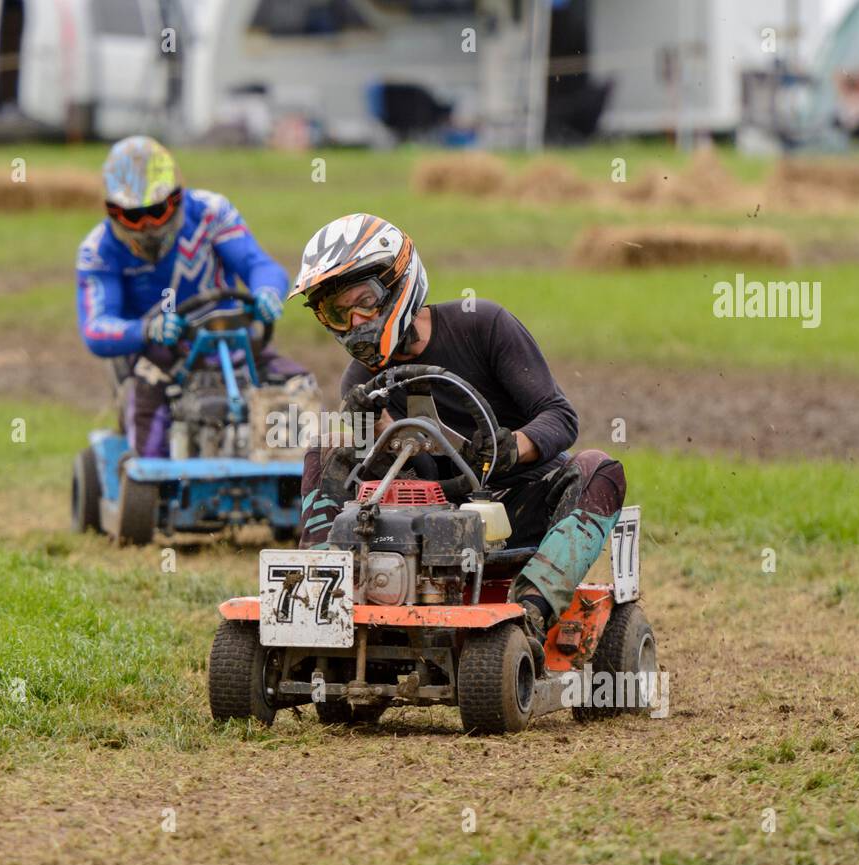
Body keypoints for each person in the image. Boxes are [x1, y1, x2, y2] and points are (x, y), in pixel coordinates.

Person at [289, 213, 625, 664]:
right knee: (326, 446)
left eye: (365, 302)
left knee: (600, 469)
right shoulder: (361, 380)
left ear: (398, 282)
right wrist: (377, 436)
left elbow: (560, 416)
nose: (355, 321)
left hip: (514, 499)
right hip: (426, 514)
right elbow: (394, 475)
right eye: (337, 312)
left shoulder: (481, 325)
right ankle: (321, 596)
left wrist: (512, 446)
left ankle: (531, 610)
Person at [76, 135, 308, 457]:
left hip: (232, 341)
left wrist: (267, 293)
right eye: (133, 215)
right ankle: (153, 479)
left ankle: (295, 483)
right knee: (150, 421)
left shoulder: (212, 213)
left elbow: (259, 264)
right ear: (113, 211)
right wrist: (146, 330)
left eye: (156, 211)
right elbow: (96, 328)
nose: (146, 226)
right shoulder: (98, 251)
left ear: (176, 197)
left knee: (298, 388)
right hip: (157, 357)